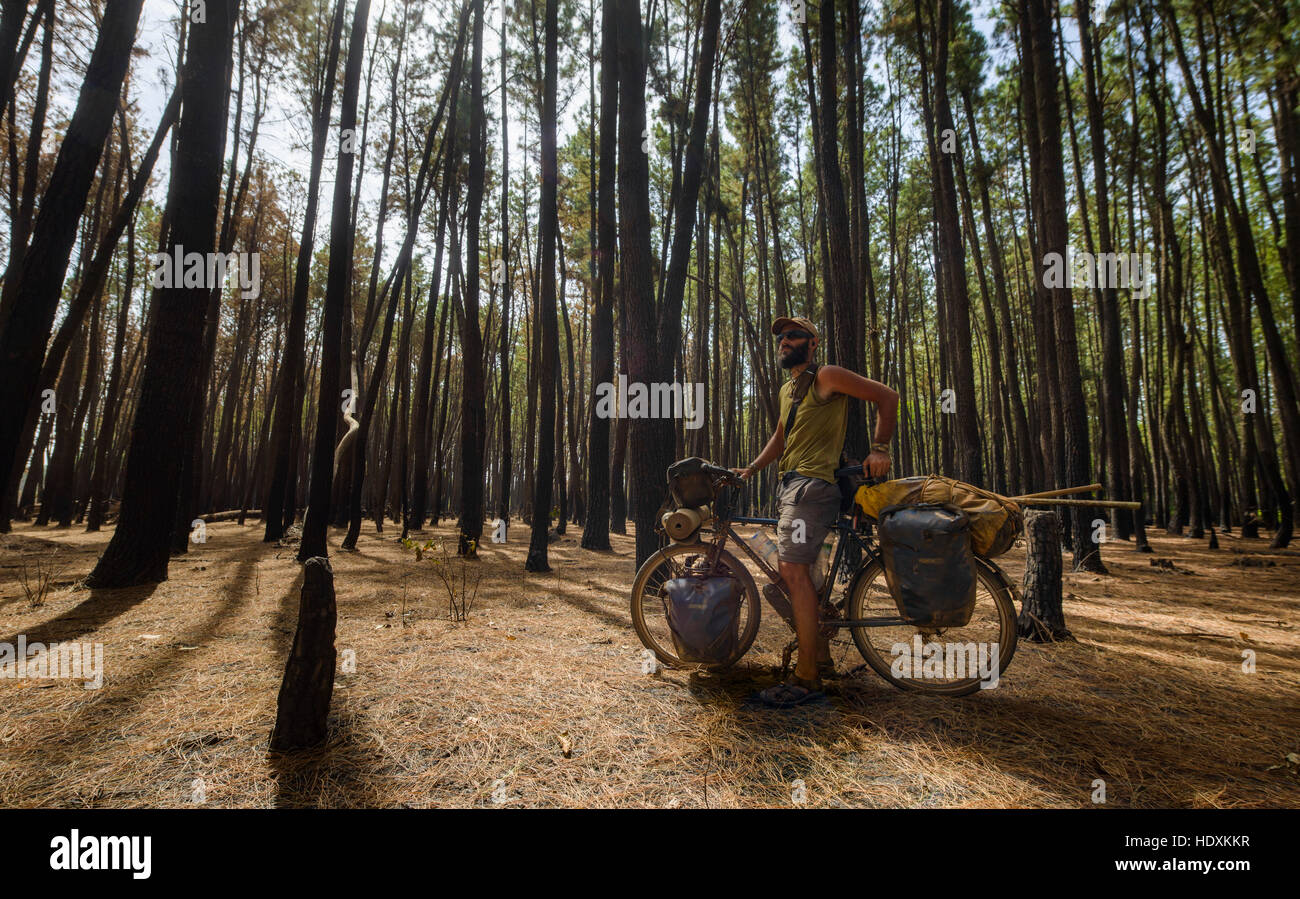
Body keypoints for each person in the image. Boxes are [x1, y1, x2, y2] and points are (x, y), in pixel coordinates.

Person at [732, 316, 898, 707]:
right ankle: (819, 660)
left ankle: (806, 679)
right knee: (800, 575)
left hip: (812, 487)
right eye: (782, 338)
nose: (785, 342)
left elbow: (887, 397)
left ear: (813, 342)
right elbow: (780, 437)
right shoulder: (790, 389)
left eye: (794, 336)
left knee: (793, 572)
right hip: (792, 487)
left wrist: (881, 448)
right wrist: (752, 468)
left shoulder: (827, 375)